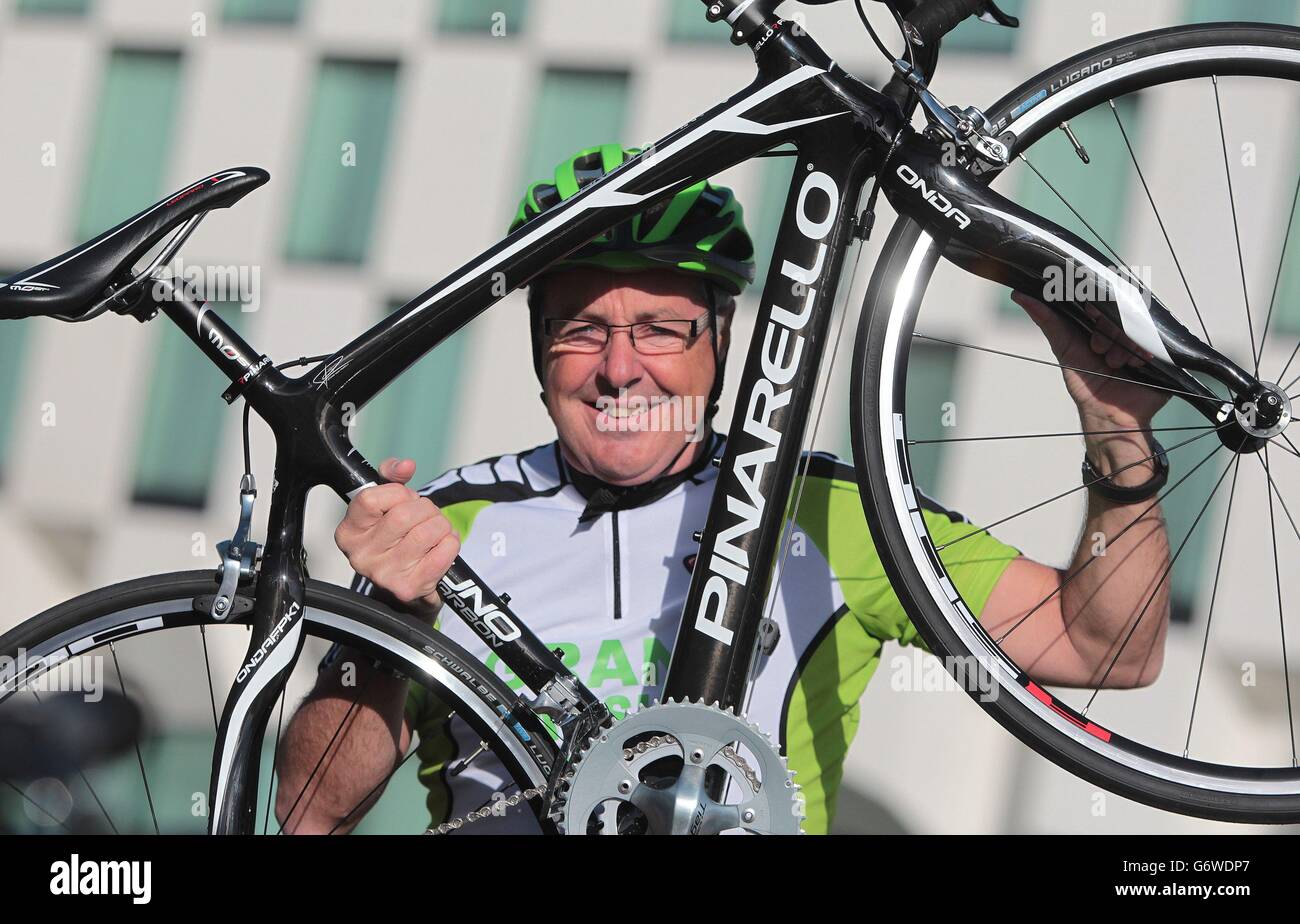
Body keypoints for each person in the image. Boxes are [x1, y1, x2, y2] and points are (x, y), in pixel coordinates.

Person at [275, 143, 1172, 834]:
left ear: (723, 339)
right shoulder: (454, 518)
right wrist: (395, 637)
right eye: (581, 330)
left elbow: (1107, 651)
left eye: (661, 328)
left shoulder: (827, 511)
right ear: (537, 348)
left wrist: (1119, 432)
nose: (620, 369)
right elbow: (311, 812)